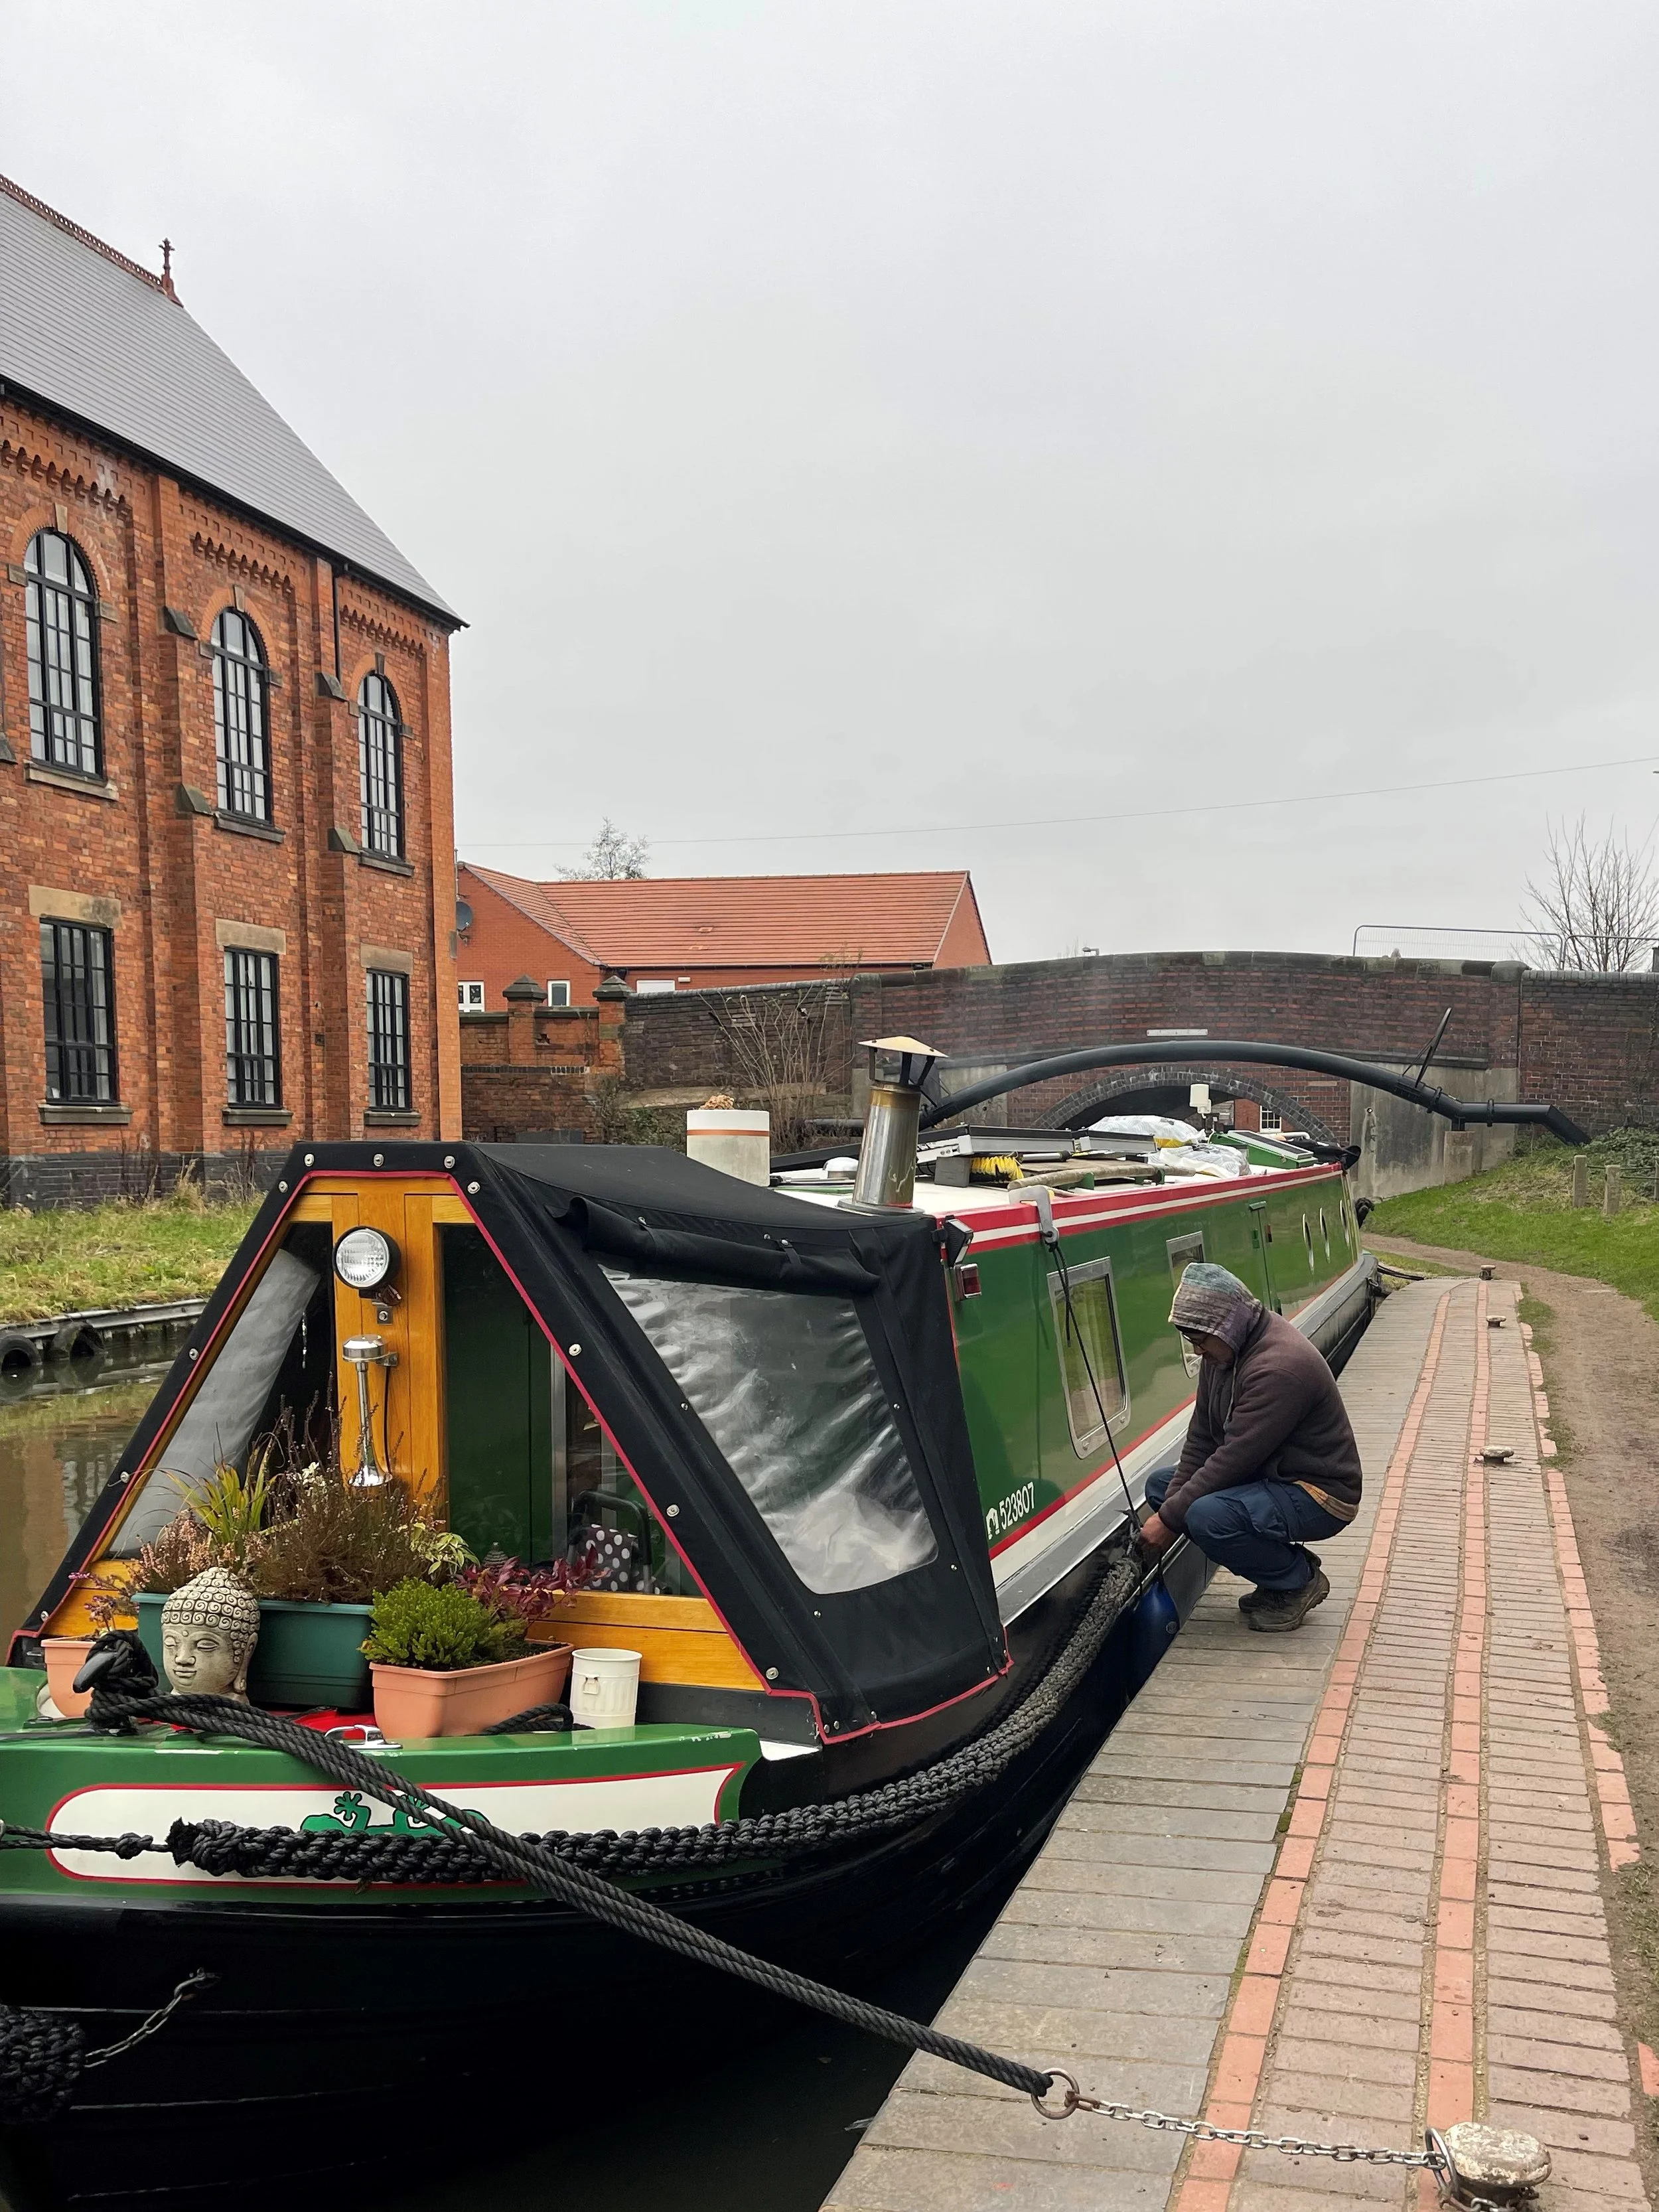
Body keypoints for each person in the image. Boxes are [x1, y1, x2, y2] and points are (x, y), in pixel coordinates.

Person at [1139, 1262, 1362, 1632]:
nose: (1197, 1350)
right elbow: (1202, 1440)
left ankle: (1298, 1580)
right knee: (1162, 1488)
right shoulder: (1226, 1351)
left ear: (1226, 1326)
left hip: (1319, 1493)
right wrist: (1168, 1512)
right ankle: (1278, 1571)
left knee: (1206, 1516)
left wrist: (1169, 1521)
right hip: (1271, 1475)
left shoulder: (1278, 1368)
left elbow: (1232, 1460)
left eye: (1201, 1340)